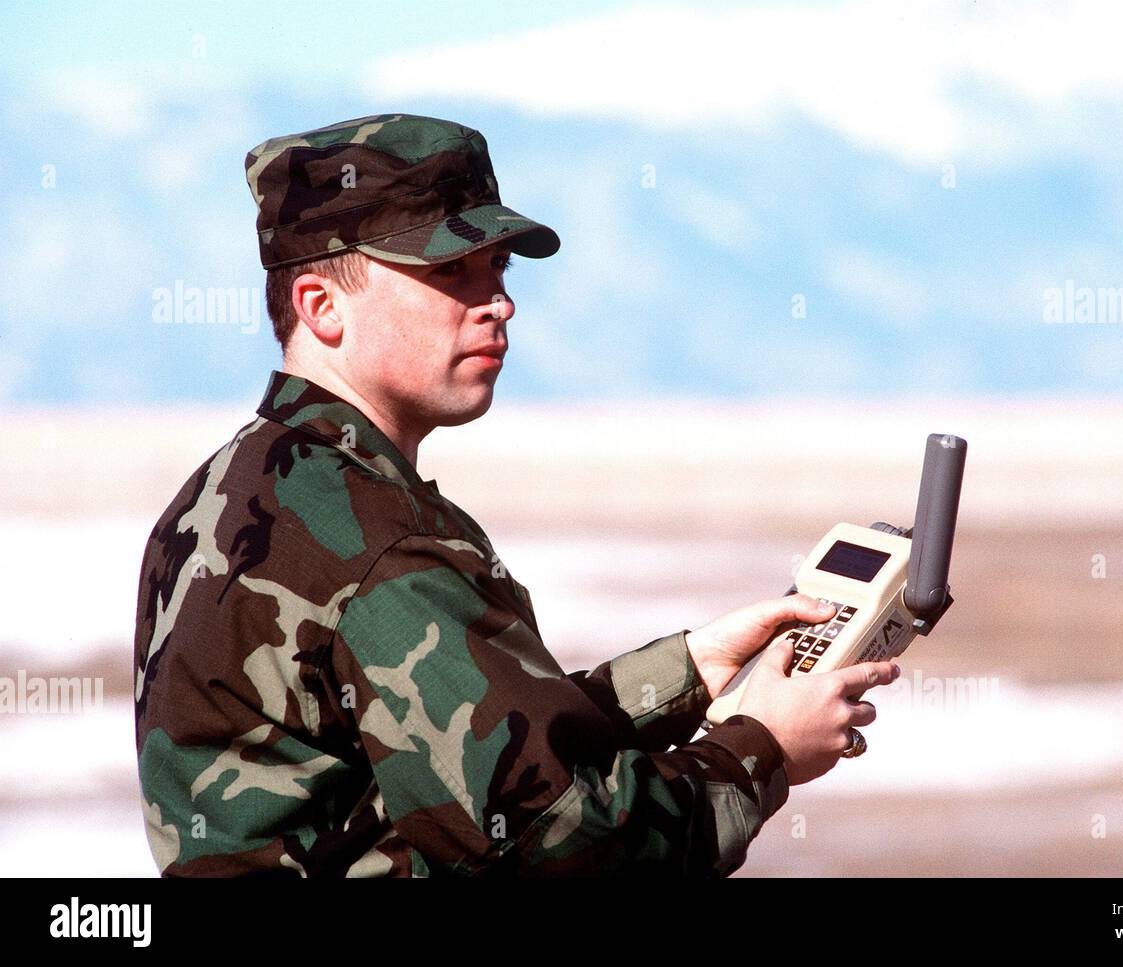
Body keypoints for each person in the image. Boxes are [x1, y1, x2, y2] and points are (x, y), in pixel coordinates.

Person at [132, 113, 897, 877]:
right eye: (449, 272)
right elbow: (566, 842)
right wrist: (759, 751)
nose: (498, 303)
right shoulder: (376, 542)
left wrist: (689, 672)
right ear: (322, 307)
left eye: (497, 268)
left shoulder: (222, 492)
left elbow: (468, 747)